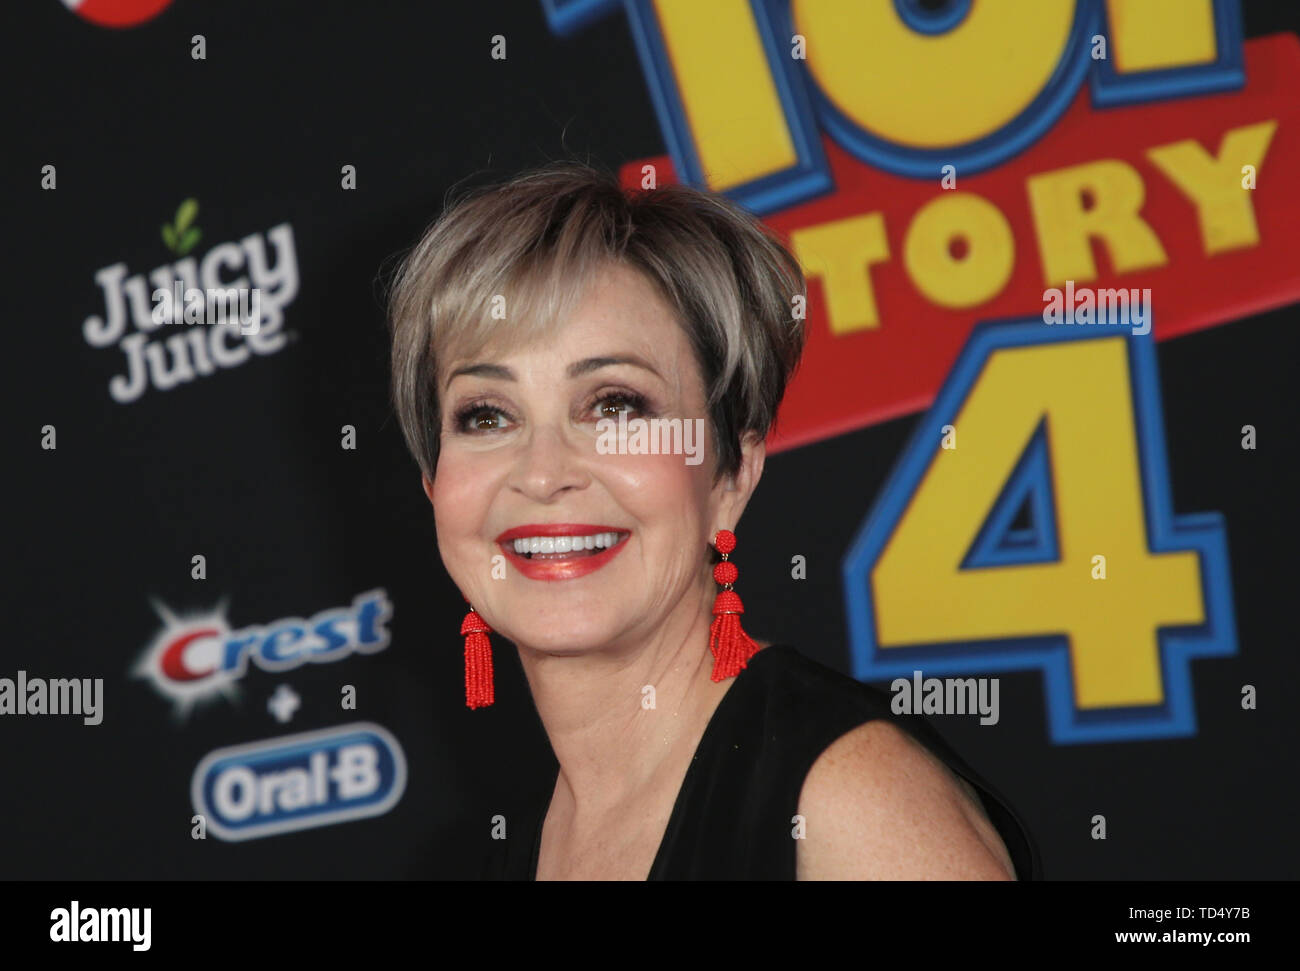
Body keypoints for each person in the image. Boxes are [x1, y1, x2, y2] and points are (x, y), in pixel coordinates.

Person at [386, 159, 1039, 880]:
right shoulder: (521, 841)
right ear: (433, 479)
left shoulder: (845, 801)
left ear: (732, 472)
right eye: (486, 414)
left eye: (615, 405)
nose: (543, 473)